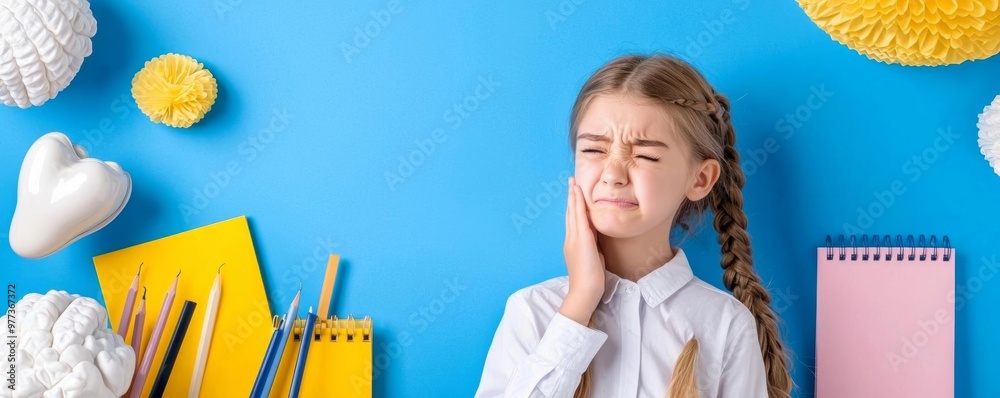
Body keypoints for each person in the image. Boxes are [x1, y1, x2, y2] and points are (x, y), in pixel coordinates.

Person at [475, 54, 793, 398]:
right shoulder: (532, 311)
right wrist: (580, 300)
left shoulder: (725, 325)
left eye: (646, 156)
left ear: (700, 178)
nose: (612, 174)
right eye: (594, 150)